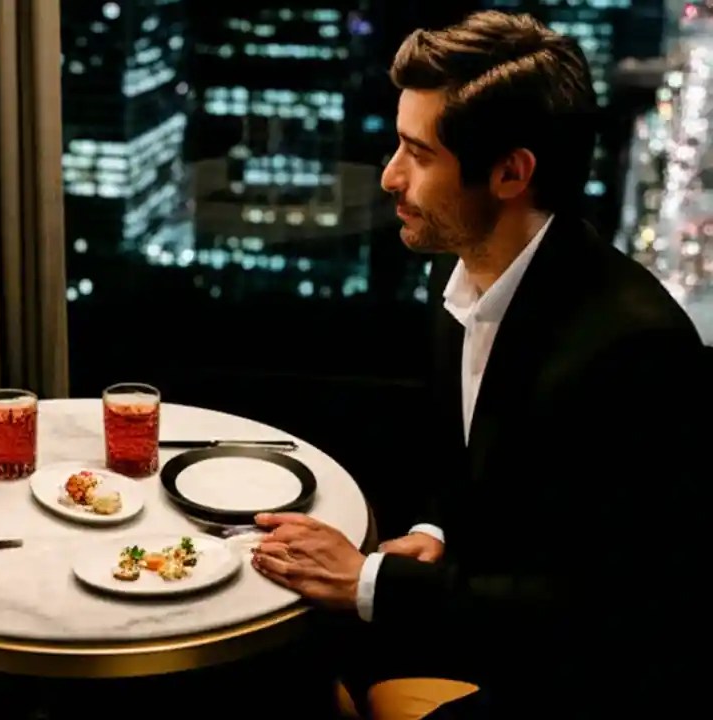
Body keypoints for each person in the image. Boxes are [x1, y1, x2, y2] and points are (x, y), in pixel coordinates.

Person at [250, 11, 705, 717]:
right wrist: (435, 535)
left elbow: (604, 612)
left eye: (418, 154)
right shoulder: (467, 278)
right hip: (499, 625)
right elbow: (485, 476)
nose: (390, 177)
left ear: (510, 172)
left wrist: (370, 580)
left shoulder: (632, 351)